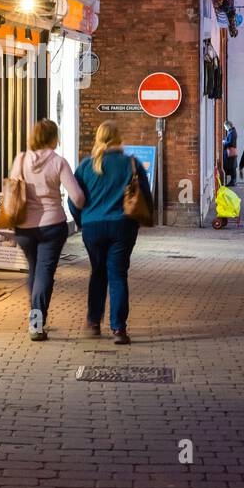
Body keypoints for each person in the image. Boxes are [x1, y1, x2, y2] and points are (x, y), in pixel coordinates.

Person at [70, 121, 152, 345]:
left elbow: (73, 200)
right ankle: (118, 329)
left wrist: (82, 222)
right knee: (117, 275)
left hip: (93, 227)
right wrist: (141, 220)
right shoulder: (131, 163)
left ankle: (93, 322)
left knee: (97, 272)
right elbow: (145, 195)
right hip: (122, 226)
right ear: (118, 138)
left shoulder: (87, 165)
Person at [11, 119, 84, 341]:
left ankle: (36, 319)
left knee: (34, 270)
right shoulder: (58, 162)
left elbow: (12, 189)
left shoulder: (21, 159)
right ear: (54, 138)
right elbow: (78, 198)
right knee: (44, 273)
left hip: (24, 227)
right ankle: (36, 323)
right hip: (52, 225)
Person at [222, 120, 238, 185]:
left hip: (230, 152)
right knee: (232, 166)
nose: (225, 128)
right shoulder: (232, 132)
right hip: (231, 152)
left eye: (225, 127)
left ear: (228, 125)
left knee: (231, 167)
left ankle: (233, 181)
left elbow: (231, 142)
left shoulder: (232, 132)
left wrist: (224, 142)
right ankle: (233, 181)